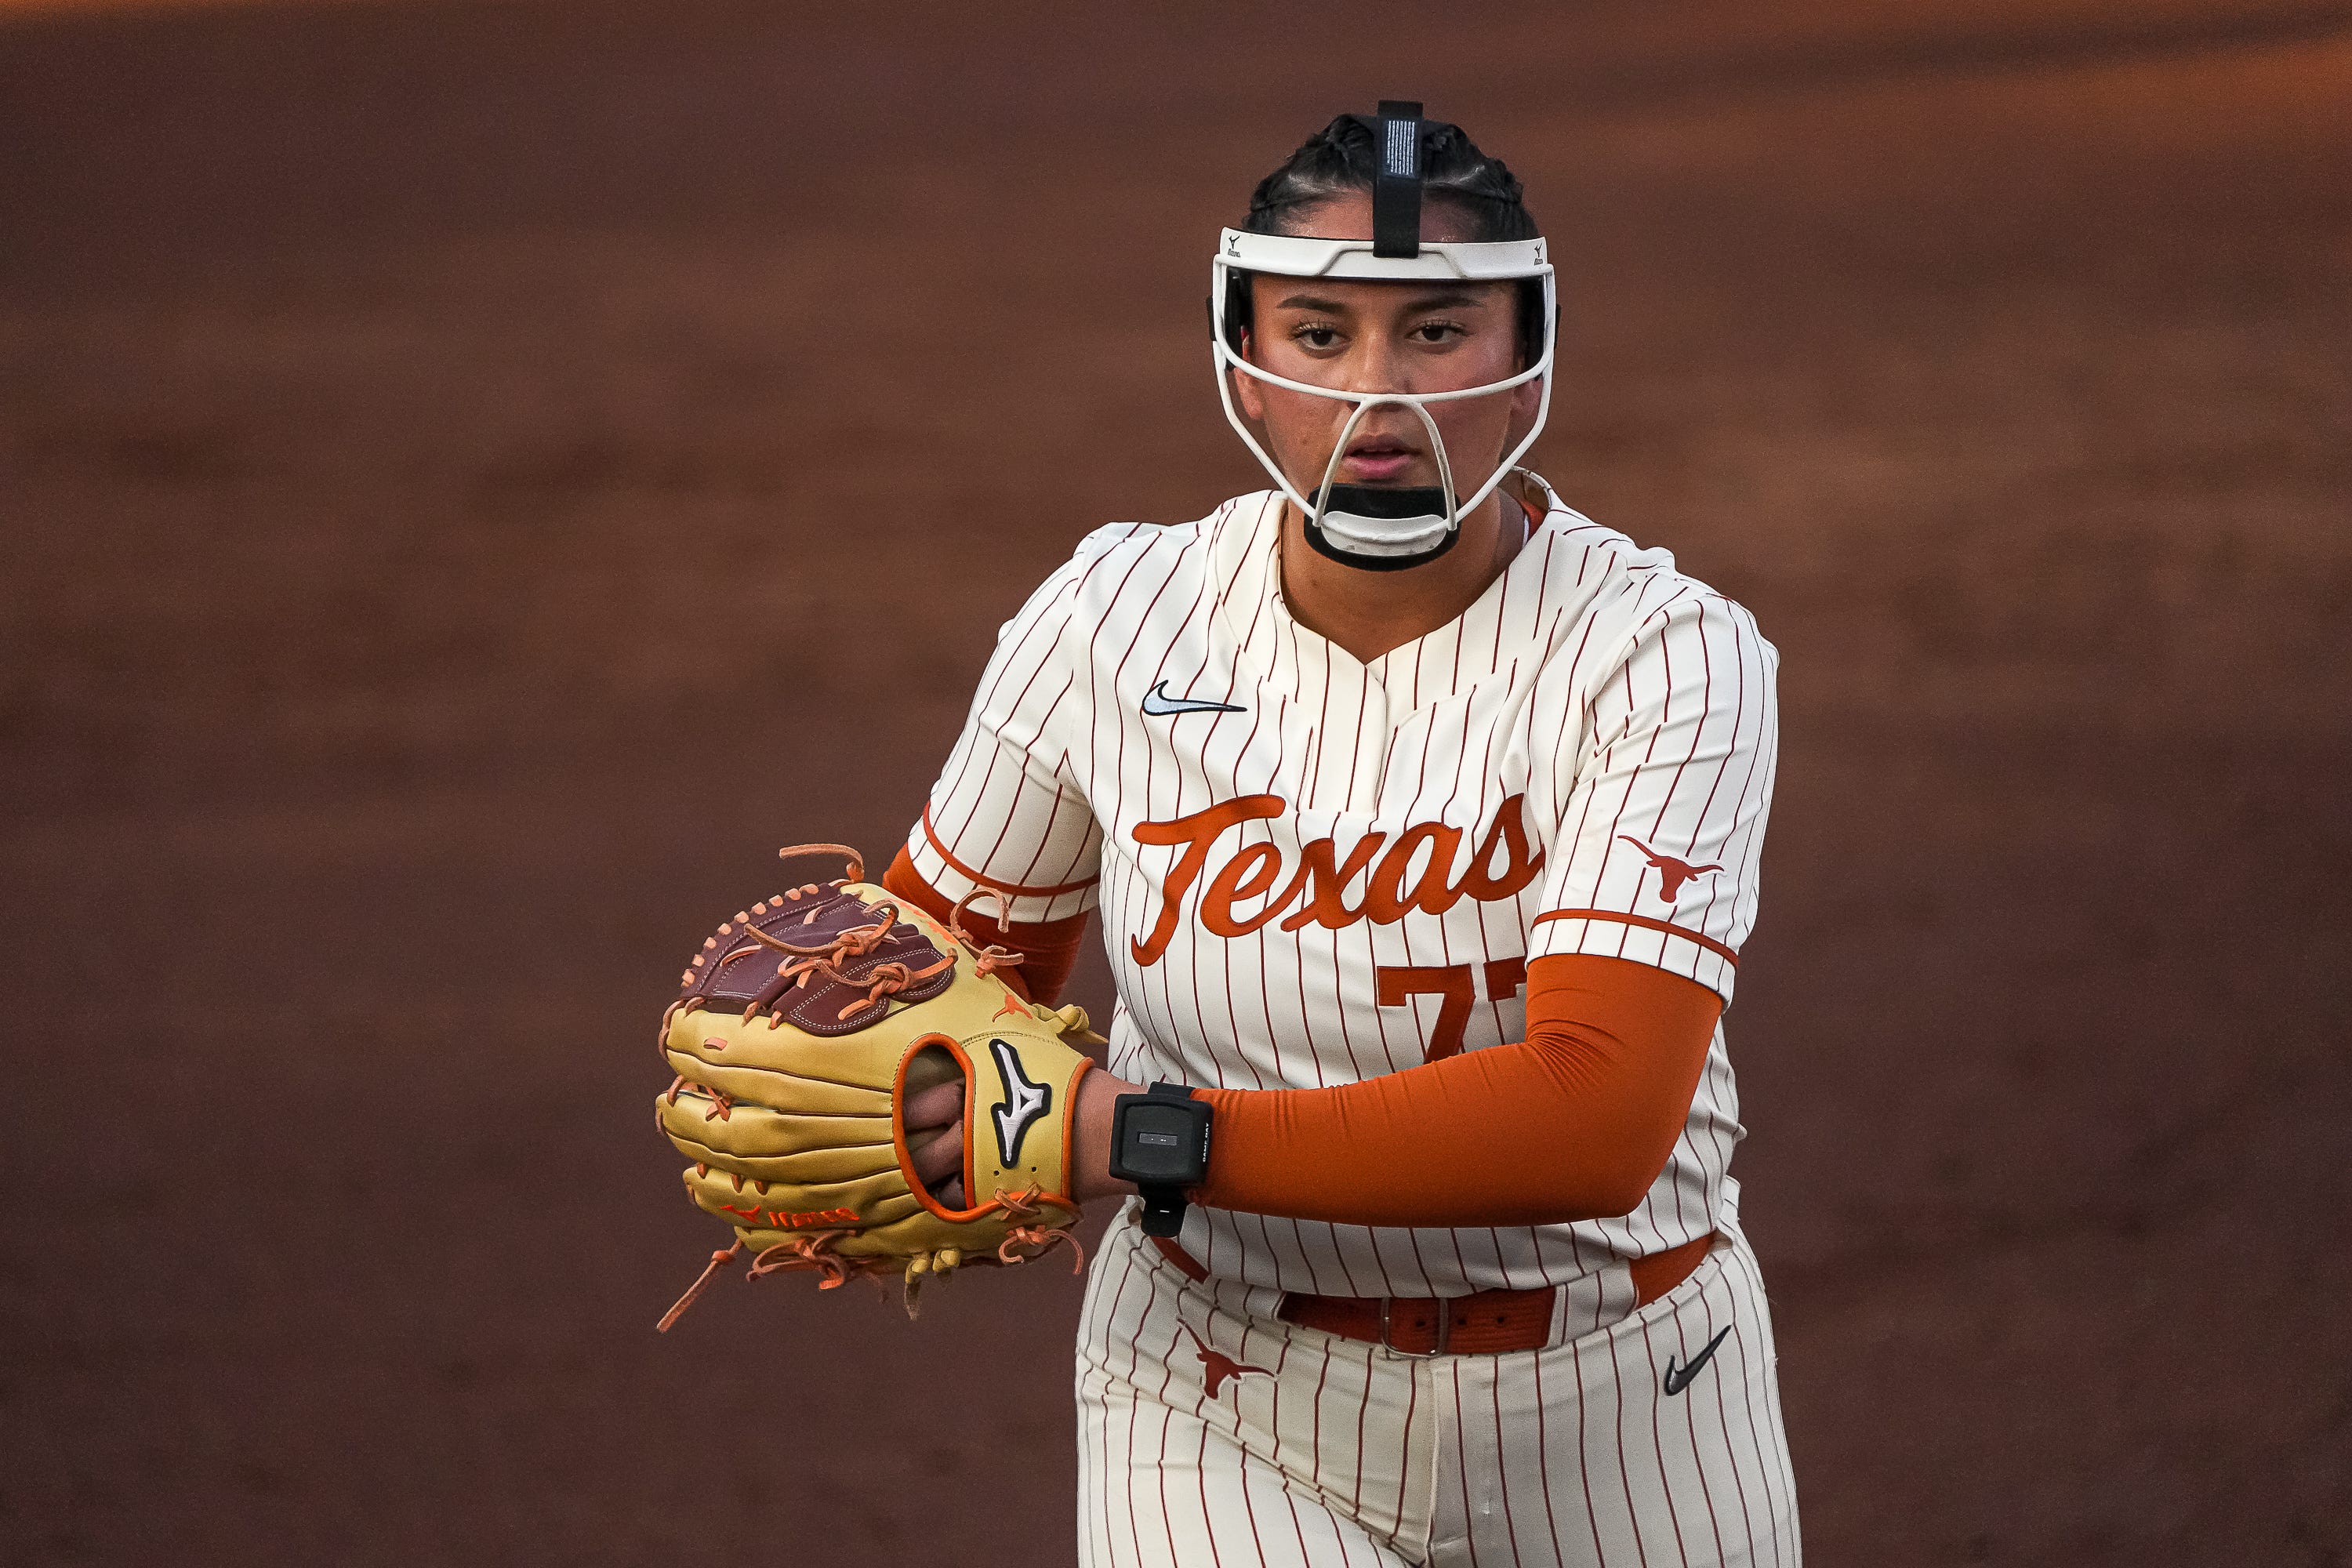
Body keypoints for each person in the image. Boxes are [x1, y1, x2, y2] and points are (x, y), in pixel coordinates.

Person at [887, 103, 1798, 1567]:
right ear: (1245, 365)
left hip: (1629, 1411)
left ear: (1527, 360)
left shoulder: (1666, 656)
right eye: (1319, 336)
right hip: (1214, 1391)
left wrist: (1126, 1133)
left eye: (1438, 333)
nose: (1380, 398)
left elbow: (1595, 1120)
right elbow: (938, 977)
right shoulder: (1111, 621)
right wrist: (867, 1074)